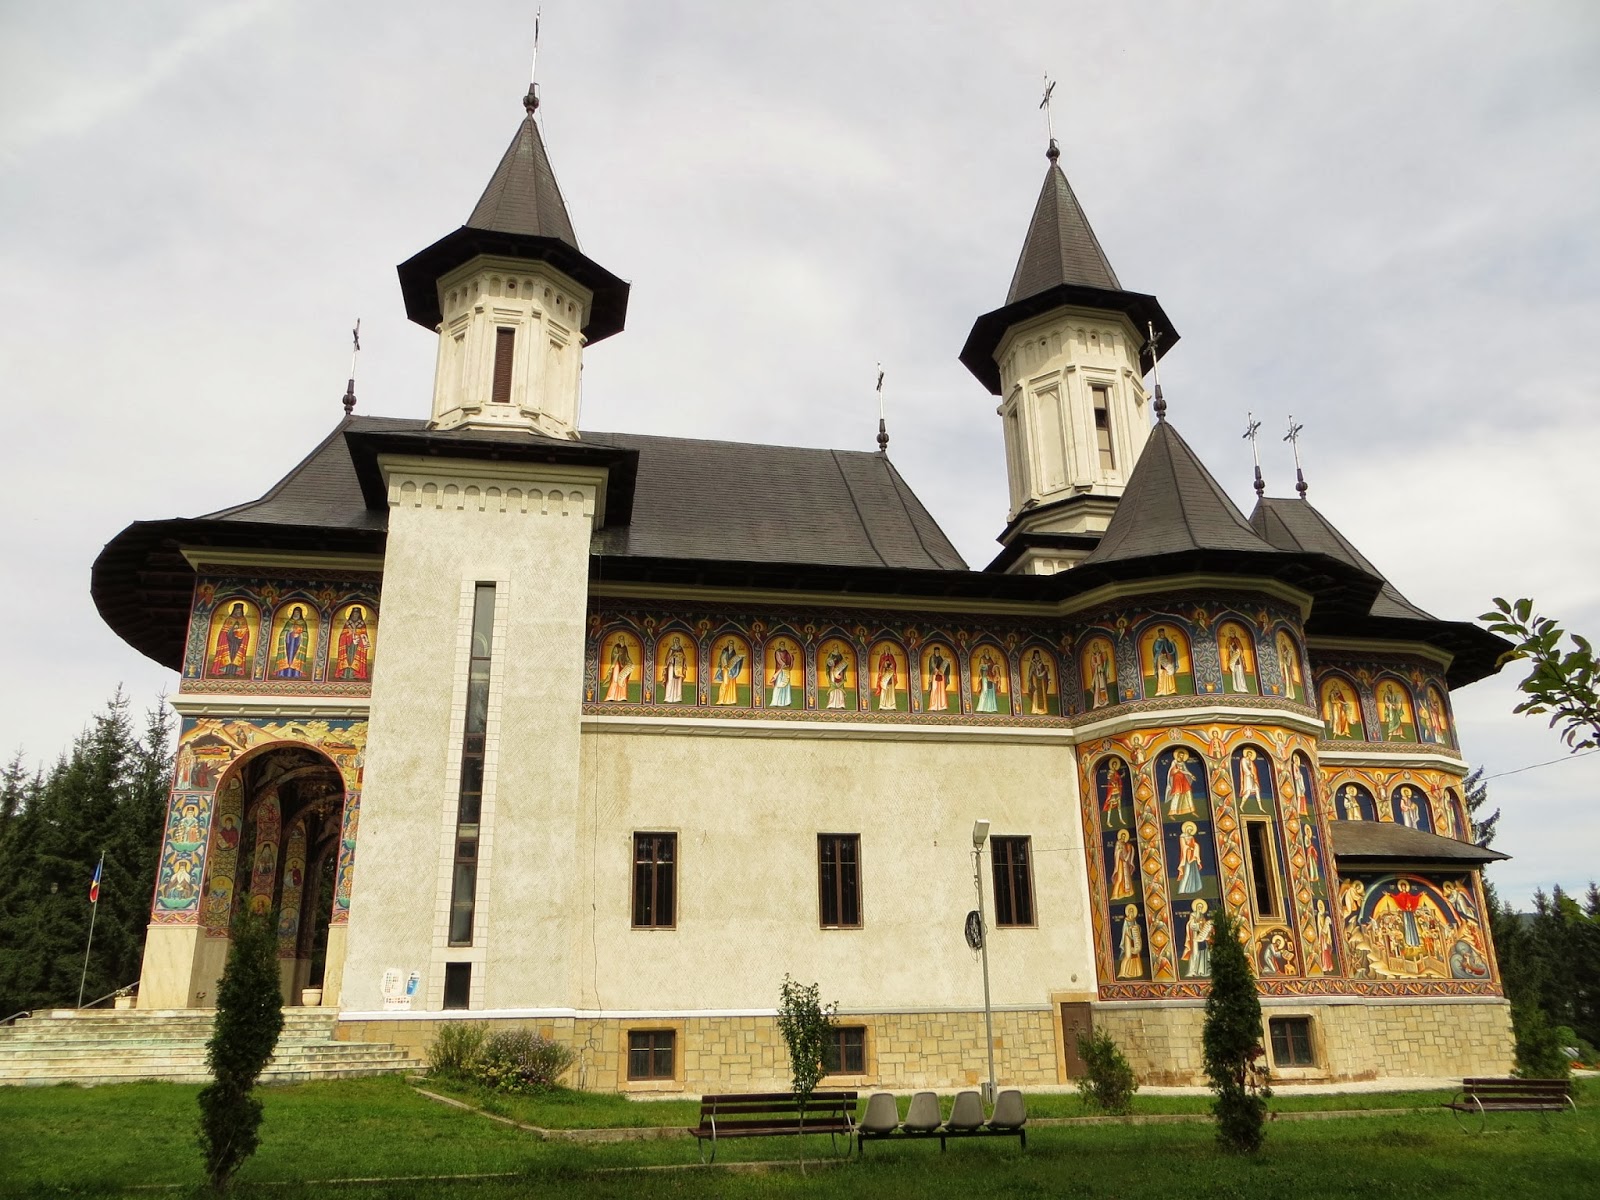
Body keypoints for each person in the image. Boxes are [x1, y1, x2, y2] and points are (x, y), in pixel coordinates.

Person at [211, 602, 252, 677]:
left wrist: (240, 635)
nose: (238, 612)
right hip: (228, 643)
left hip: (237, 644)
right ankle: (225, 671)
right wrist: (232, 632)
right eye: (237, 611)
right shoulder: (229, 619)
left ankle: (235, 671)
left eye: (239, 611)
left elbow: (246, 633)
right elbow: (223, 632)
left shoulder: (243, 620)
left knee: (235, 657)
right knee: (228, 656)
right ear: (234, 610)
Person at [335, 606, 371, 681]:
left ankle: (356, 674)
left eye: (357, 614)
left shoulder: (362, 624)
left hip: (357, 646)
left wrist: (359, 636)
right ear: (351, 614)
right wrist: (349, 635)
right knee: (348, 659)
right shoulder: (348, 623)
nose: (355, 615)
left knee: (355, 659)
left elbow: (364, 635)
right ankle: (345, 674)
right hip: (348, 646)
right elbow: (342, 636)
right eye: (354, 614)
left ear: (359, 615)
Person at [274, 606, 310, 678]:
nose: (296, 614)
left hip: (297, 644)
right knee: (286, 657)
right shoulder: (289, 622)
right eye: (295, 612)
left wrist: (300, 634)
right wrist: (289, 631)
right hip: (288, 644)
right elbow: (283, 632)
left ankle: (296, 673)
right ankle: (282, 672)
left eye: (298, 613)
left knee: (296, 658)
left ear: (300, 614)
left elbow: (305, 633)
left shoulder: (302, 622)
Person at [1181, 899, 1213, 978]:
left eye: (1201, 907)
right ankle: (1193, 970)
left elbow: (1205, 926)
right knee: (1195, 953)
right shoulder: (1193, 915)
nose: (1200, 908)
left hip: (1202, 937)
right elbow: (1190, 924)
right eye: (1198, 907)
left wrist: (1207, 928)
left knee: (1203, 952)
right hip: (1195, 937)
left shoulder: (1202, 916)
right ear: (1195, 907)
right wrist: (1197, 925)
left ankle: (1202, 970)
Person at [1164, 748, 1198, 816]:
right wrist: (1176, 770)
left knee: (1188, 793)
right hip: (1177, 780)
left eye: (1183, 755)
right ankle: (1172, 812)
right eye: (1180, 755)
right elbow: (1172, 770)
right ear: (1178, 755)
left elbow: (1185, 770)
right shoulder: (1174, 762)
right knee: (1177, 794)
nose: (1181, 756)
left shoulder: (1182, 763)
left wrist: (1191, 775)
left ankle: (1191, 810)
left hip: (1183, 779)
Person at [1391, 879, 1423, 947]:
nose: (1403, 888)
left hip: (1410, 913)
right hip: (1405, 913)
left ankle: (1415, 942)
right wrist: (1390, 895)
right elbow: (1396, 898)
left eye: (1404, 887)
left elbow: (1414, 898)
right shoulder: (1400, 895)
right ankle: (1409, 942)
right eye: (1402, 887)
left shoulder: (1409, 895)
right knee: (1407, 926)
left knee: (1413, 926)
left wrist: (1420, 895)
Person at [1175, 821, 1204, 894]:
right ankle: (1182, 889)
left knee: (1193, 873)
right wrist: (1188, 848)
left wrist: (1195, 847)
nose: (1190, 831)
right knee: (1186, 873)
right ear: (1186, 829)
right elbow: (1183, 846)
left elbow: (1194, 844)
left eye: (1191, 830)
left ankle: (1193, 888)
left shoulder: (1191, 837)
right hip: (1186, 858)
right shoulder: (1182, 836)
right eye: (1189, 829)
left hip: (1192, 857)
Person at [714, 639, 744, 705]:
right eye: (730, 644)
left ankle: (732, 700)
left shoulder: (733, 652)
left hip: (732, 671)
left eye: (732, 644)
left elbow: (735, 661)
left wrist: (739, 659)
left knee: (732, 684)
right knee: (725, 684)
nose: (731, 646)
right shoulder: (725, 651)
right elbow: (722, 659)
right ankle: (721, 700)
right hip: (726, 670)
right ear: (728, 644)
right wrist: (725, 666)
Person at [1110, 829, 1138, 899]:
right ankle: (1115, 894)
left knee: (1127, 878)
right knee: (1119, 878)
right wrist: (1121, 852)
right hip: (1120, 863)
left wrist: (1129, 851)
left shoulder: (1126, 845)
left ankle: (1128, 892)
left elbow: (1127, 855)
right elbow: (1117, 853)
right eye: (1122, 836)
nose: (1123, 837)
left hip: (1126, 864)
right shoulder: (1119, 843)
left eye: (1124, 836)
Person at [1237, 747, 1266, 814]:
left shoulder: (1251, 762)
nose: (1250, 756)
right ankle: (1241, 806)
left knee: (1257, 790)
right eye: (1249, 754)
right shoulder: (1243, 760)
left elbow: (1253, 769)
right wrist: (1250, 773)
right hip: (1247, 777)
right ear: (1247, 754)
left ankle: (1260, 807)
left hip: (1253, 777)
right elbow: (1244, 768)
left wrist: (1253, 774)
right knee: (1248, 792)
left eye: (1251, 755)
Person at [1117, 905, 1144, 978]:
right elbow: (1125, 930)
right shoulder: (1126, 920)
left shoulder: (1133, 920)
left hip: (1134, 939)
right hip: (1128, 939)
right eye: (1130, 911)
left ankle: (1135, 972)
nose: (1131, 913)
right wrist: (1130, 930)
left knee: (1136, 955)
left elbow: (1137, 927)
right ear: (1128, 912)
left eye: (1132, 911)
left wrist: (1137, 928)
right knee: (1128, 956)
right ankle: (1122, 972)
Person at [603, 638, 633, 702]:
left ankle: (623, 697)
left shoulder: (625, 647)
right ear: (619, 640)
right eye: (621, 640)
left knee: (623, 679)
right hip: (617, 664)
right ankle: (611, 696)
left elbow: (626, 656)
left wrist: (630, 662)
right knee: (615, 679)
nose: (622, 641)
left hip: (623, 664)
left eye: (623, 640)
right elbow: (613, 655)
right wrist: (617, 655)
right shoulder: (616, 647)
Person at [1151, 628, 1179, 695]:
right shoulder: (1157, 641)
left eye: (1163, 632)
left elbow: (1170, 648)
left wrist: (1172, 643)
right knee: (1161, 673)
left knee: (1170, 672)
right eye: (1160, 633)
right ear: (1159, 633)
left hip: (1168, 658)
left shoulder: (1166, 640)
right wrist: (1160, 652)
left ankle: (1172, 689)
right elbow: (1156, 650)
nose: (1162, 634)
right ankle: (1161, 690)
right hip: (1161, 659)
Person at [661, 636, 688, 703]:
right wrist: (672, 657)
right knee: (670, 680)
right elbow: (667, 658)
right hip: (671, 666)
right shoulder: (671, 649)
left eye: (677, 640)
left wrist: (681, 657)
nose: (676, 642)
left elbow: (683, 657)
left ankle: (678, 698)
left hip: (679, 667)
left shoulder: (680, 648)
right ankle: (668, 698)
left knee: (678, 682)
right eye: (675, 640)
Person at [1102, 759, 1127, 829]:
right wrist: (1112, 783)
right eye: (1114, 765)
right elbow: (1109, 778)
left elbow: (1118, 778)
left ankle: (1121, 819)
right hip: (1112, 791)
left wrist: (1122, 775)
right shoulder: (1110, 772)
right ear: (1112, 765)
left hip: (1117, 790)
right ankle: (1108, 821)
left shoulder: (1116, 772)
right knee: (1111, 805)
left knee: (1119, 804)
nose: (1114, 766)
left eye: (1115, 765)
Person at [1088, 641, 1113, 708]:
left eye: (1097, 646)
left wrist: (1104, 662)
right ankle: (1096, 703)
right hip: (1096, 673)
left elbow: (1105, 661)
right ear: (1094, 648)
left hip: (1101, 672)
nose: (1096, 647)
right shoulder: (1093, 655)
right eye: (1095, 646)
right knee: (1097, 688)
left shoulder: (1101, 654)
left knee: (1103, 687)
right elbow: (1092, 664)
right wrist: (1096, 665)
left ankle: (1105, 701)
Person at [769, 641, 795, 707]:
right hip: (780, 671)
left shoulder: (786, 652)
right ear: (779, 645)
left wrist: (791, 657)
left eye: (783, 644)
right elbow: (779, 660)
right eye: (781, 644)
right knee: (778, 686)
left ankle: (787, 702)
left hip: (786, 671)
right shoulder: (777, 652)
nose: (782, 646)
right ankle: (776, 702)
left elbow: (789, 659)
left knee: (786, 686)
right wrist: (783, 664)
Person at [925, 646, 950, 712]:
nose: (937, 652)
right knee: (935, 690)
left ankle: (943, 705)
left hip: (941, 676)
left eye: (938, 651)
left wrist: (946, 663)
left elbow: (943, 665)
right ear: (934, 651)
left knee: (942, 691)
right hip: (934, 676)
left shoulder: (940, 657)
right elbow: (932, 666)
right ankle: (934, 706)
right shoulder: (932, 657)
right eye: (936, 651)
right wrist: (936, 670)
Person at [1027, 650, 1051, 714]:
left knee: (1042, 694)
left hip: (1042, 681)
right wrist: (1029, 678)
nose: (1037, 656)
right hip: (1035, 680)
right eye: (1036, 655)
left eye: (1038, 655)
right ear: (1034, 656)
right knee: (1035, 693)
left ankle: (1044, 710)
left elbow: (1046, 671)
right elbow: (1030, 672)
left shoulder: (1041, 663)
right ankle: (1035, 709)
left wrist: (1048, 678)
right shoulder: (1032, 663)